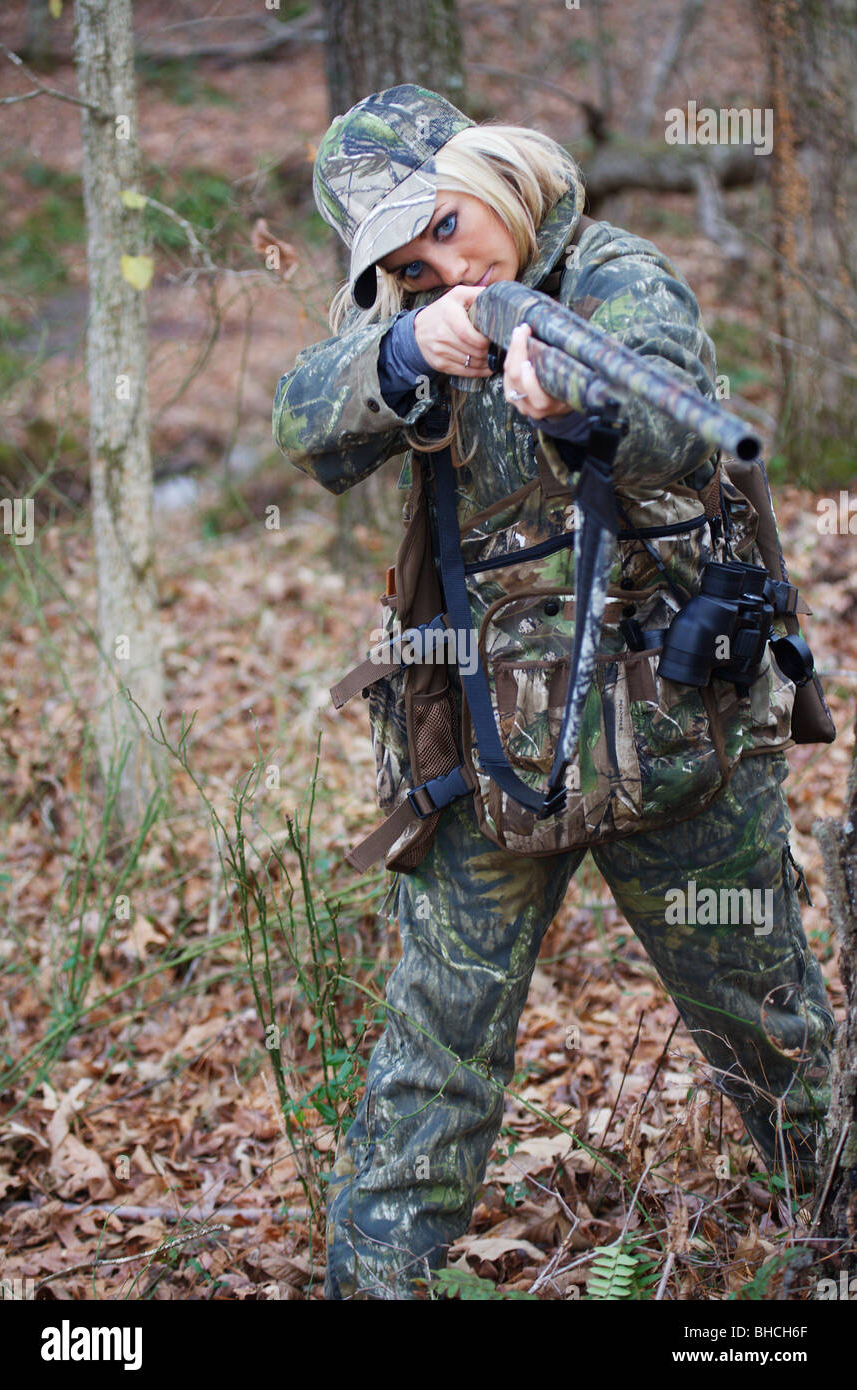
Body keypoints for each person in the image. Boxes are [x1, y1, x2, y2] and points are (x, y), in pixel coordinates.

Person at [272, 84, 836, 1300]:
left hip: (671, 721)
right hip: (485, 747)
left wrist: (582, 401)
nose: (442, 265)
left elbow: (680, 421)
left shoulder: (616, 275)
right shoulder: (408, 322)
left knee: (767, 1029)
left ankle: (833, 1237)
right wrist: (407, 348)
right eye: (407, 261)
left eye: (446, 225)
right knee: (434, 1058)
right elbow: (305, 422)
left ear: (488, 173)